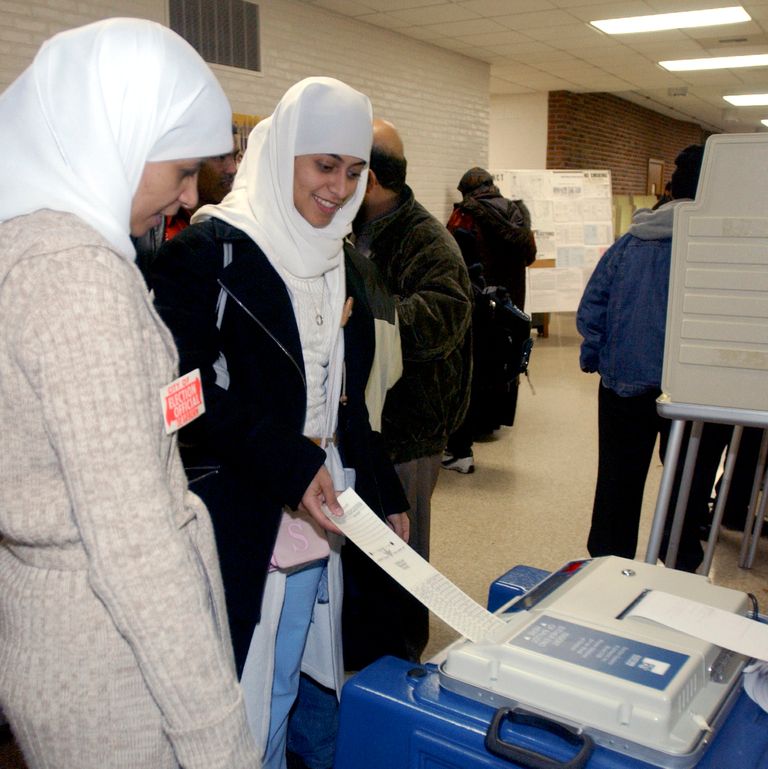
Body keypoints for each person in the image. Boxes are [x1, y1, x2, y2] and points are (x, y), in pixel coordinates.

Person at [0, 18, 259, 769]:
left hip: (62, 631)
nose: (185, 200)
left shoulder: (30, 241)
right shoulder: (74, 275)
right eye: (179, 171)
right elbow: (133, 544)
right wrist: (220, 738)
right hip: (114, 669)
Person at [151, 78, 408, 769]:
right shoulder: (210, 252)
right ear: (285, 150)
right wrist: (285, 461)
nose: (338, 187)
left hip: (316, 510)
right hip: (241, 509)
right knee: (234, 689)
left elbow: (341, 396)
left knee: (285, 682)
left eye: (355, 171)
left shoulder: (339, 258)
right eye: (324, 165)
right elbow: (178, 395)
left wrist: (382, 487)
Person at [351, 118, 473, 660]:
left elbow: (446, 315)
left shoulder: (426, 238)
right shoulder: (358, 224)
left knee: (404, 552)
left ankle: (403, 658)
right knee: (369, 546)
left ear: (373, 179)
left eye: (350, 171)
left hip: (410, 427)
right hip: (370, 421)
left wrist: (367, 320)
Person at [576, 144, 705, 570]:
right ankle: (680, 560)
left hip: (623, 382)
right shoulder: (715, 244)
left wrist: (596, 352)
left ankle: (609, 564)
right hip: (692, 391)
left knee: (617, 480)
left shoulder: (632, 240)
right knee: (687, 481)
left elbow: (592, 306)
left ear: (671, 188)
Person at [444, 167, 537, 473]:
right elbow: (530, 254)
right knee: (504, 356)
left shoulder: (466, 213)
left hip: (480, 298)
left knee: (474, 365)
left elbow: (450, 254)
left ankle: (470, 433)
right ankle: (495, 419)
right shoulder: (517, 212)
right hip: (511, 301)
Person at [134, 124, 240, 284]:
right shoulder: (144, 227)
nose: (232, 169)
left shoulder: (239, 228)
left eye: (236, 157)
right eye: (221, 157)